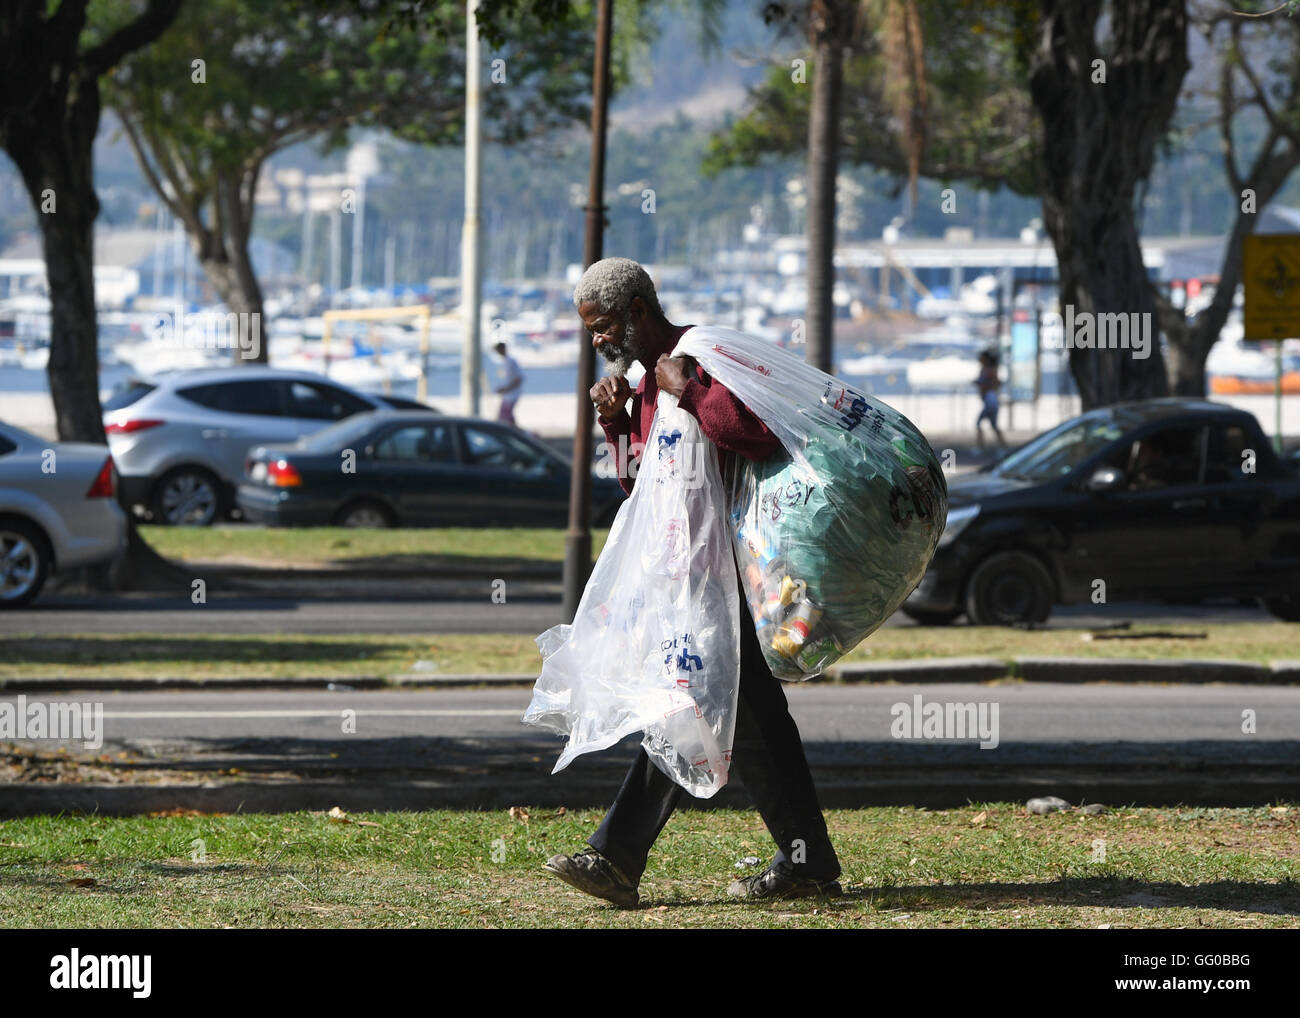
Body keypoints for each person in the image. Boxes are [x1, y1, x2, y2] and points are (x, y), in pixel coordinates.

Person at [542, 257, 842, 907]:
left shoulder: (702, 356)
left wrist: (689, 390)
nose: (598, 341)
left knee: (694, 707)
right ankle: (808, 859)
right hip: (693, 582)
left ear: (639, 312)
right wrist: (618, 422)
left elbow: (754, 435)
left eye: (602, 327)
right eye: (591, 331)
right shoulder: (649, 381)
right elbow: (640, 484)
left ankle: (616, 857)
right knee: (752, 721)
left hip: (736, 579)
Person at [975, 349, 1005, 450]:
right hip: (989, 400)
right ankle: (1002, 445)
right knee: (994, 426)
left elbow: (996, 382)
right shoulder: (985, 369)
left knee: (978, 423)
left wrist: (984, 383)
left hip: (990, 399)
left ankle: (981, 447)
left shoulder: (990, 370)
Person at [490, 341, 523, 426]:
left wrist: (507, 389)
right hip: (507, 395)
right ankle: (516, 432)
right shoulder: (504, 362)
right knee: (507, 416)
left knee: (504, 416)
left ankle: (514, 433)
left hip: (512, 395)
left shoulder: (511, 362)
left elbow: (519, 379)